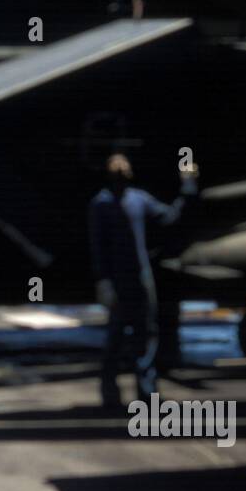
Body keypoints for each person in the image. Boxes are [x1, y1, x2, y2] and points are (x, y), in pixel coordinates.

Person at [89, 153, 198, 408]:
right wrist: (103, 280)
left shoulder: (138, 199)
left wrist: (187, 190)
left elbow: (169, 217)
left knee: (146, 334)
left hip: (139, 276)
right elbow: (98, 246)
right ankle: (111, 392)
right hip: (119, 278)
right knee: (117, 336)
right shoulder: (101, 204)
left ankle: (146, 393)